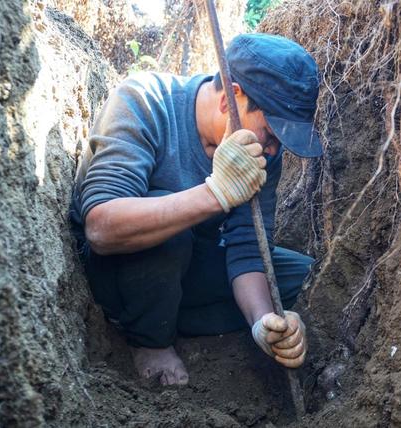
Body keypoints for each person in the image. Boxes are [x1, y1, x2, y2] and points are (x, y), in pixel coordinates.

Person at [69, 33, 321, 386]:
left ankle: (171, 315)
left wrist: (264, 323)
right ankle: (149, 338)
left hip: (187, 266)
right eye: (270, 134)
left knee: (302, 274)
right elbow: (100, 229)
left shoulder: (261, 151)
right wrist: (215, 193)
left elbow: (249, 250)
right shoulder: (144, 100)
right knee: (173, 236)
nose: (273, 151)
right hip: (122, 265)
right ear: (231, 98)